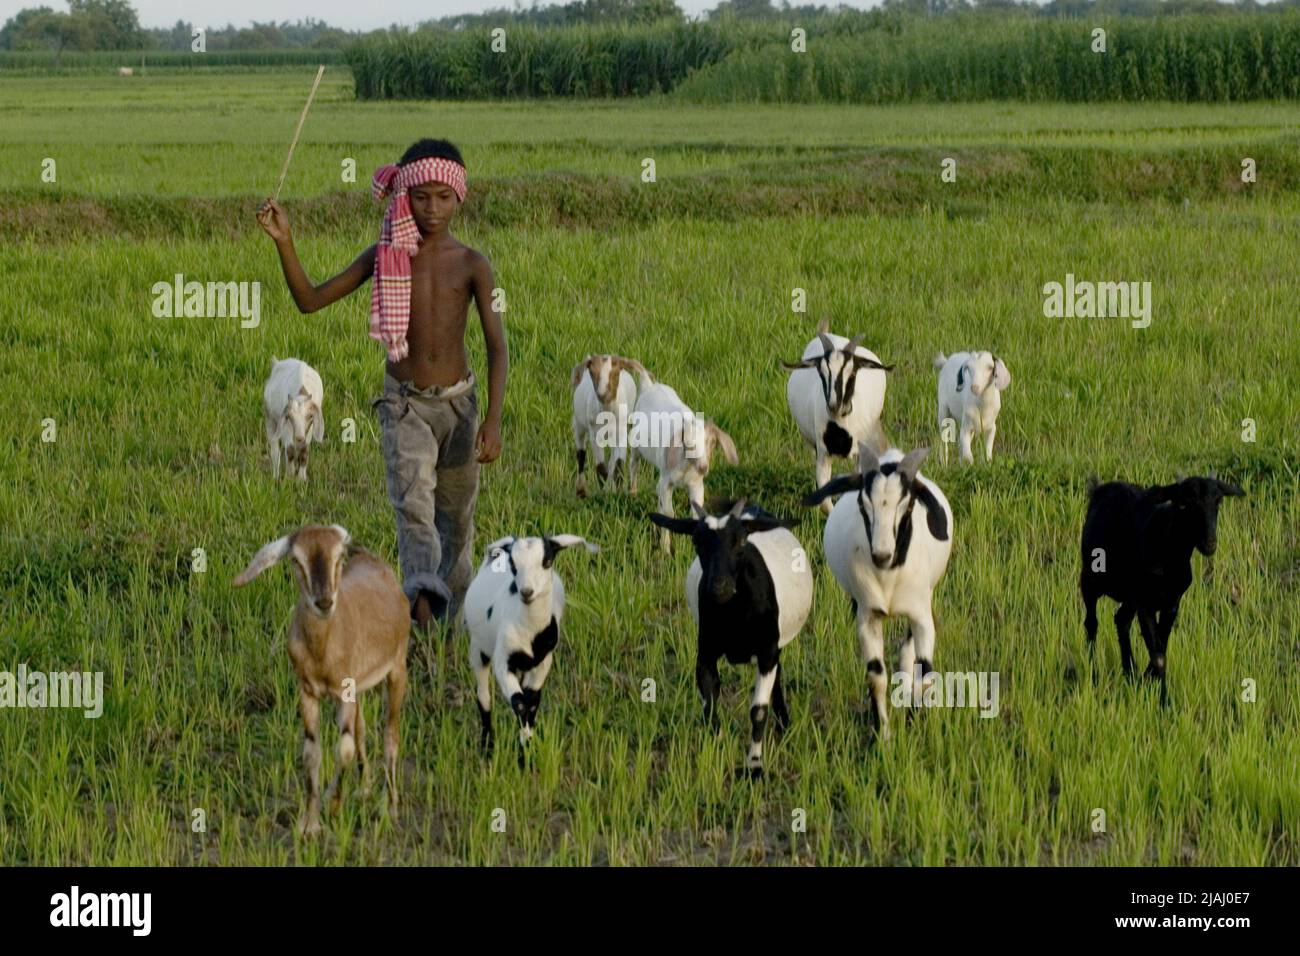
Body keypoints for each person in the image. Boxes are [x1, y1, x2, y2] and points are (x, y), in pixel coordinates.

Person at [256, 138, 507, 640]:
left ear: (460, 197)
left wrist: (494, 418)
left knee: (456, 525)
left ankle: (449, 631)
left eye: (442, 196)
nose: (431, 208)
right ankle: (419, 622)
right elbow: (309, 300)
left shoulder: (474, 265)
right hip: (405, 406)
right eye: (420, 197)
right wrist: (285, 241)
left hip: (459, 408)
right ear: (402, 197)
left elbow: (497, 346)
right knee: (415, 517)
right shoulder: (385, 256)